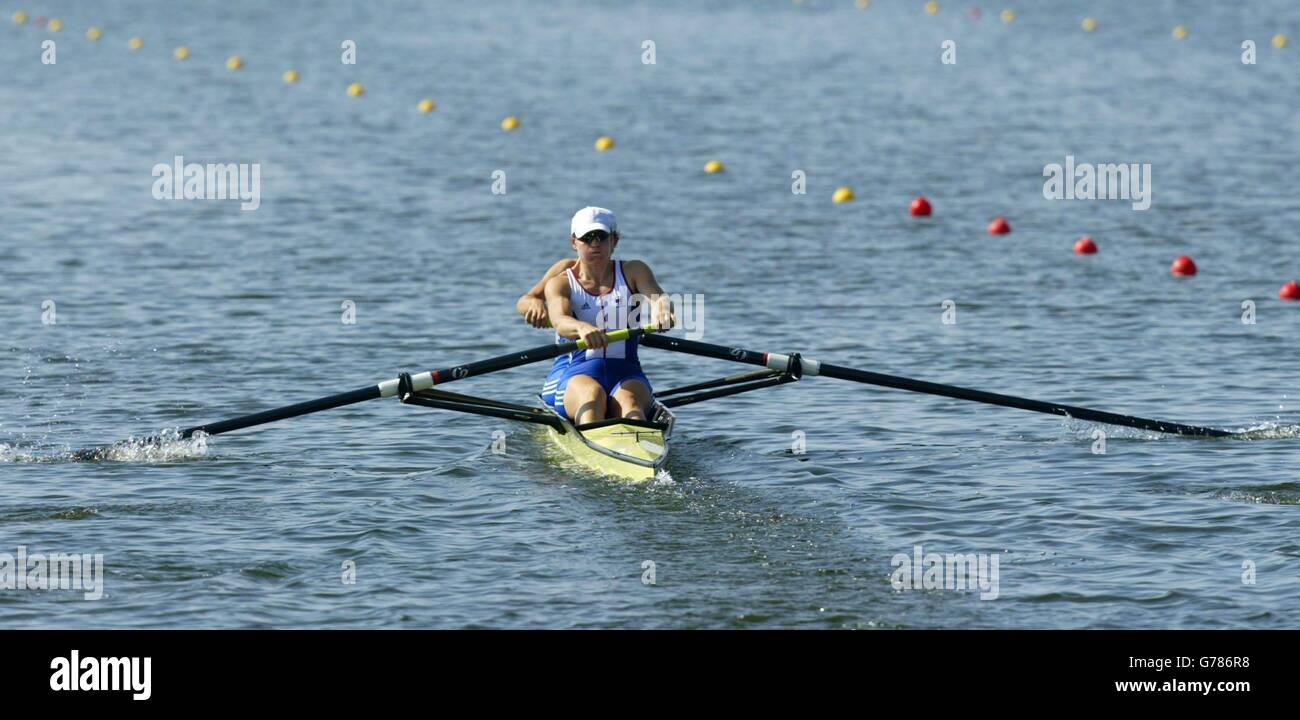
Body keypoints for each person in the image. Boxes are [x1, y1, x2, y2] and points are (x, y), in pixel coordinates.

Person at [520, 207, 673, 425]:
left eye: (601, 237)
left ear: (615, 240)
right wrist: (582, 328)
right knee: (591, 396)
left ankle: (637, 446)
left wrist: (663, 311)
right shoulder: (561, 281)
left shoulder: (634, 271)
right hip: (576, 373)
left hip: (627, 372)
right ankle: (596, 443)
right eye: (587, 238)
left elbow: (659, 297)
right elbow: (560, 322)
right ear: (574, 242)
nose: (595, 244)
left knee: (630, 403)